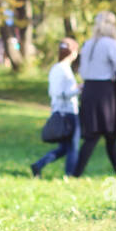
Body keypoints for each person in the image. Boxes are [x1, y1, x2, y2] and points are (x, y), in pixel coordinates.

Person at [73, 12, 116, 177]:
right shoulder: (110, 44)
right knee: (102, 134)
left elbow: (83, 70)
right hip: (105, 93)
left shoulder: (88, 44)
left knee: (100, 134)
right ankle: (77, 173)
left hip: (89, 90)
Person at [31, 37, 82, 177]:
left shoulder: (56, 69)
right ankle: (70, 174)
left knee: (64, 148)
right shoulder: (63, 69)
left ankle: (39, 165)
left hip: (61, 110)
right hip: (68, 112)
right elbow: (58, 93)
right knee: (72, 146)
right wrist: (78, 90)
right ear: (72, 52)